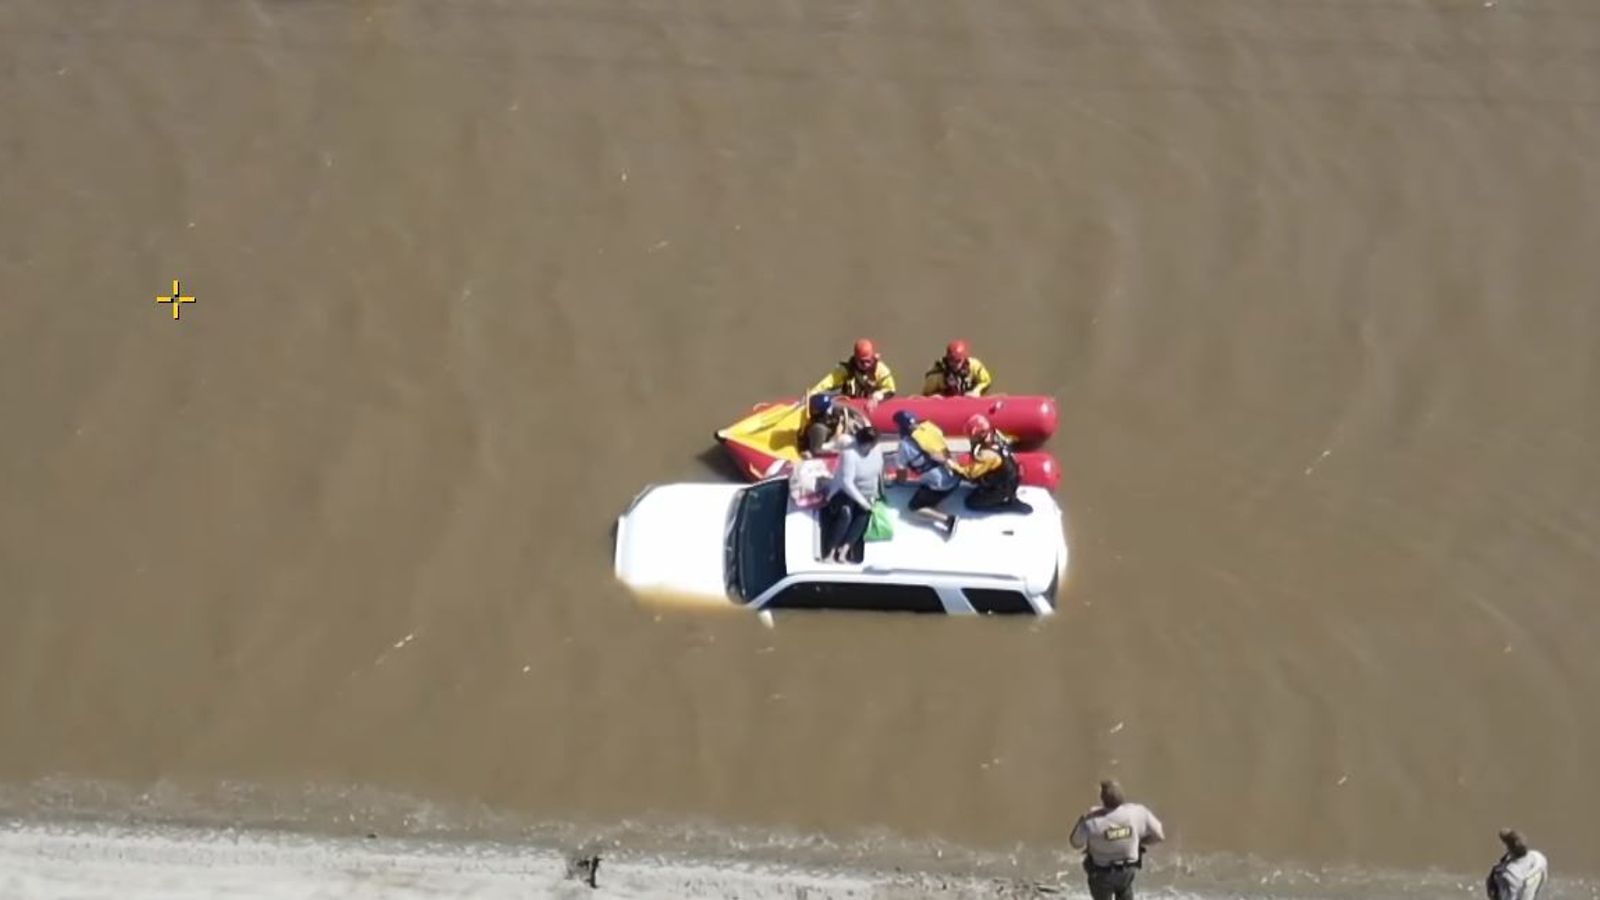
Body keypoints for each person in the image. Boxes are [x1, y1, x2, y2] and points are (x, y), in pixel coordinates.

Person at [1069, 779, 1165, 900]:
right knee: (1125, 890)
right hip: (1128, 870)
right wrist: (1141, 841)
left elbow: (1075, 843)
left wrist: (1082, 820)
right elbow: (1160, 836)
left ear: (1102, 799)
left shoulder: (1091, 820)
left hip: (1100, 872)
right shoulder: (1138, 812)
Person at [818, 425, 884, 563]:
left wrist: (879, 492)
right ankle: (831, 552)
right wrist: (863, 502)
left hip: (866, 491)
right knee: (845, 514)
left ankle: (845, 550)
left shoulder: (877, 450)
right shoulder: (849, 454)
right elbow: (846, 482)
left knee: (864, 514)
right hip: (844, 491)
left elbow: (879, 471)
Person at [890, 410, 959, 538]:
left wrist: (897, 481)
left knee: (914, 508)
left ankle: (948, 520)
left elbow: (902, 475)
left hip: (942, 485)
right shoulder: (930, 428)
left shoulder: (904, 446)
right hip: (955, 475)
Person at [951, 414, 1028, 512]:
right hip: (1009, 476)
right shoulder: (996, 435)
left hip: (1002, 487)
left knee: (971, 503)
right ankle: (1003, 493)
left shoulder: (987, 454)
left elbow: (970, 474)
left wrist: (952, 465)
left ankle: (1006, 505)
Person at [811, 338, 896, 400]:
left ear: (873, 357)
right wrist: (813, 393)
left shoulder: (881, 370)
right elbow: (829, 381)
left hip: (872, 402)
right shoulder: (847, 369)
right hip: (850, 402)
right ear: (855, 359)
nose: (865, 365)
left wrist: (877, 397)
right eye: (862, 362)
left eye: (868, 361)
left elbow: (890, 390)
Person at [802, 392, 869, 458]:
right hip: (836, 434)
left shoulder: (818, 428)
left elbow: (816, 451)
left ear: (816, 411)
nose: (809, 407)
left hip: (830, 441)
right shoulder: (830, 413)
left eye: (811, 407)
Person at [1486, 830, 1548, 900]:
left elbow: (1494, 894)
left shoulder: (1504, 874)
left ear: (1509, 849)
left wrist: (1492, 879)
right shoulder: (1538, 858)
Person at [922, 339, 993, 397]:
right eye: (951, 361)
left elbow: (986, 381)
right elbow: (927, 392)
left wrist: (977, 390)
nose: (955, 364)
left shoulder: (974, 366)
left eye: (958, 361)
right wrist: (935, 396)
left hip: (970, 396)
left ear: (964, 358)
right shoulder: (938, 371)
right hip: (946, 401)